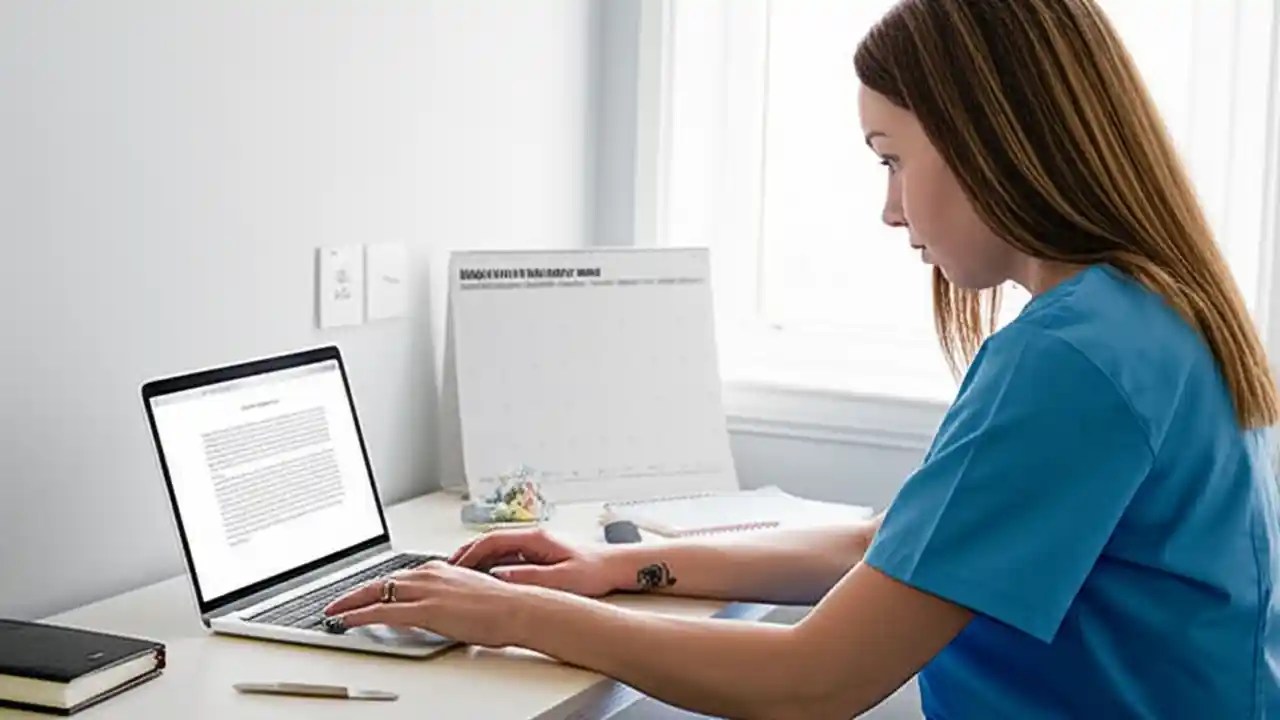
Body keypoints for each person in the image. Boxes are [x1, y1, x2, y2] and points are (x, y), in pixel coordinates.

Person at [325, 0, 1280, 717]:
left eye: (892, 158)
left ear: (995, 138)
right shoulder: (1145, 316)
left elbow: (813, 681)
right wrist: (620, 570)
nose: (892, 209)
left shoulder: (1072, 359)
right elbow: (895, 549)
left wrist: (512, 616)